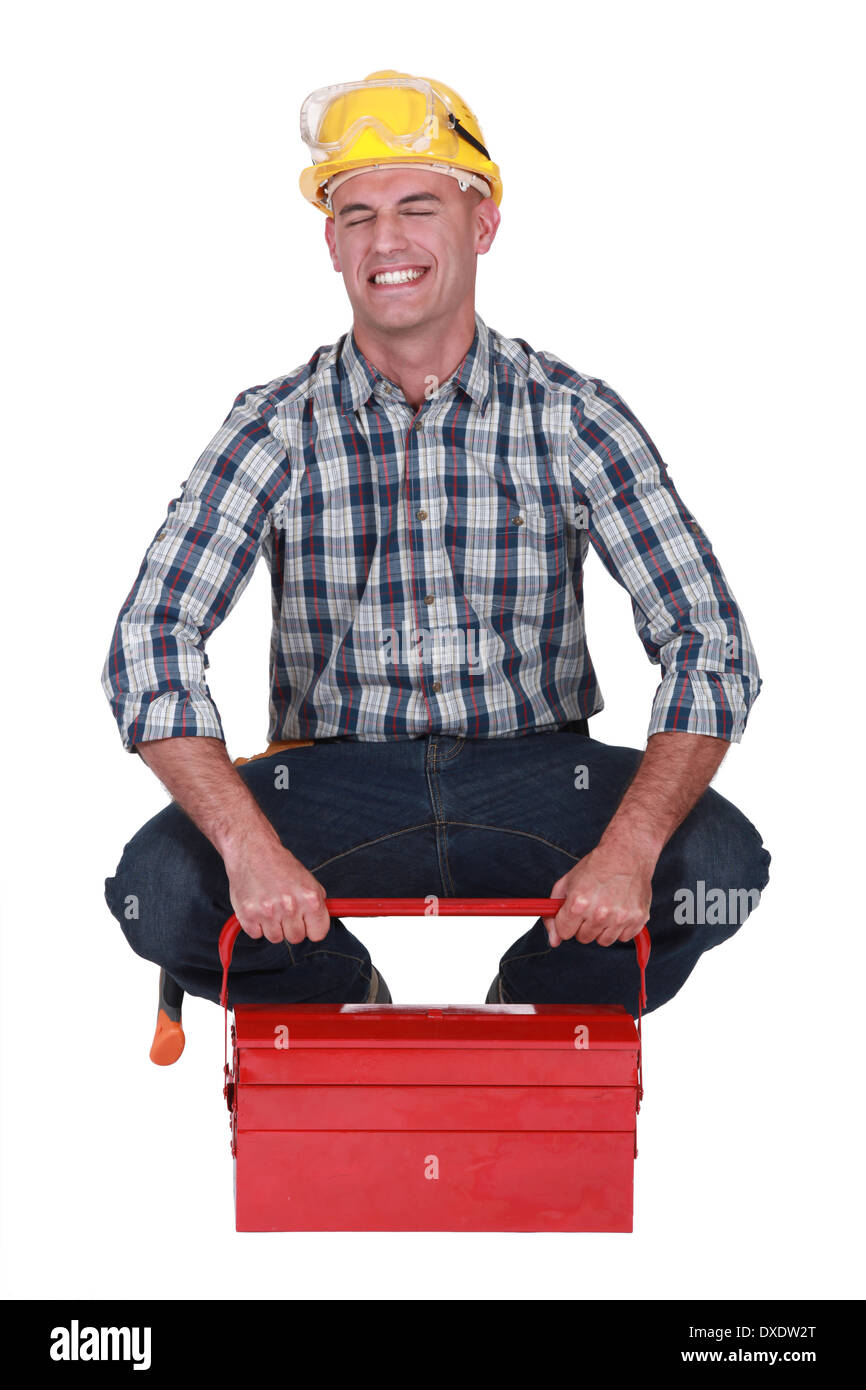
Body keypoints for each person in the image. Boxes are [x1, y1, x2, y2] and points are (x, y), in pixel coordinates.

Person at [102, 69, 770, 1016]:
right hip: (332, 777)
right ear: (330, 243)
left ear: (483, 225)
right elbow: (151, 639)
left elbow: (709, 640)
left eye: (418, 207)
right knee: (161, 891)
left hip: (536, 772)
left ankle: (530, 1009)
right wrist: (251, 850)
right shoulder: (272, 427)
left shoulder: (573, 418)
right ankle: (348, 1001)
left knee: (719, 864)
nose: (387, 242)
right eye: (357, 213)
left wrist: (626, 854)